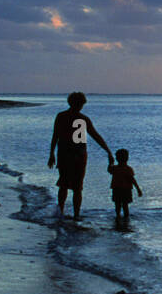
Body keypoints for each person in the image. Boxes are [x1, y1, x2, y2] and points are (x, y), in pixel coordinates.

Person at [47, 92, 113, 221]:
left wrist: (108, 151)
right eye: (80, 104)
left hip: (73, 154)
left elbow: (95, 135)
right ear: (74, 103)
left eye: (81, 104)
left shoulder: (67, 117)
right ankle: (68, 213)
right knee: (68, 185)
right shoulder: (73, 118)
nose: (81, 106)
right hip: (72, 154)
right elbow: (56, 135)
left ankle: (70, 214)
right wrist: (51, 154)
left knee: (71, 185)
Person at [108, 148, 143, 226]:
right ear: (127, 158)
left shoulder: (115, 168)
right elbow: (133, 180)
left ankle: (118, 217)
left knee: (117, 205)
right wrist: (138, 189)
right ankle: (126, 218)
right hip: (125, 189)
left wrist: (110, 162)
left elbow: (109, 170)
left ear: (117, 158)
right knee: (125, 205)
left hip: (117, 189)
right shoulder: (128, 169)